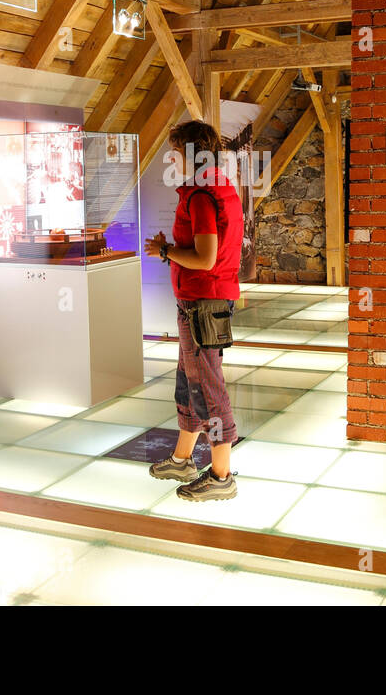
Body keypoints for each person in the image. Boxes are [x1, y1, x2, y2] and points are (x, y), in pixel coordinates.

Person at [143, 120, 244, 501]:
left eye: (175, 150)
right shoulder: (215, 187)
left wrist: (166, 251)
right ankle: (183, 459)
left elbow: (204, 258)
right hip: (198, 302)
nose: (171, 157)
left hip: (203, 301)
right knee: (189, 384)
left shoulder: (201, 195)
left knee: (209, 389)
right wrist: (171, 249)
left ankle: (221, 476)